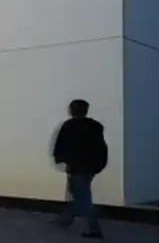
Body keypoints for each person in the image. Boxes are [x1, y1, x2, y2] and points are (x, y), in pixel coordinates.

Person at [53, 99, 107, 239]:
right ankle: (65, 220)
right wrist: (99, 166)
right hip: (90, 168)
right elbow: (102, 148)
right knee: (79, 194)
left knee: (82, 198)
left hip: (77, 167)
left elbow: (60, 145)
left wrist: (61, 160)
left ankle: (94, 229)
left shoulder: (69, 126)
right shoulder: (95, 126)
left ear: (72, 110)